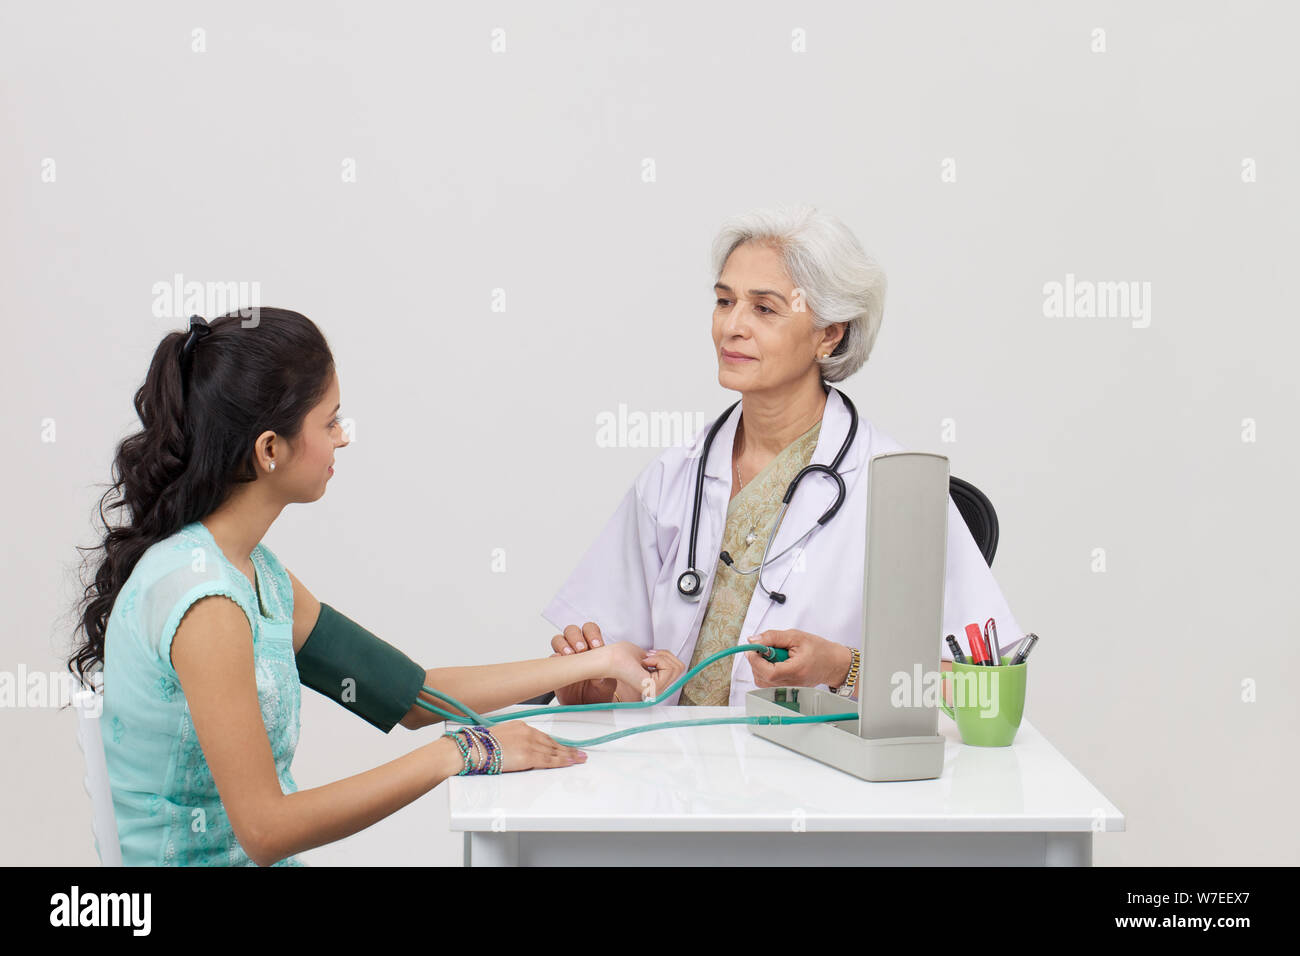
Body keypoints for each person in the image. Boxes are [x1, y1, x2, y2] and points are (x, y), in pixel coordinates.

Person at [68, 308, 653, 866]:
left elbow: (415, 699)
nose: (343, 438)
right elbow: (267, 831)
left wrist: (595, 663)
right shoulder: (208, 603)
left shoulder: (255, 575)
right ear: (270, 450)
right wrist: (464, 753)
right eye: (329, 421)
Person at [544, 205, 1024, 707]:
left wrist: (844, 668)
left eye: (764, 308)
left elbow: (985, 693)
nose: (732, 326)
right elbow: (618, 676)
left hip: (818, 775)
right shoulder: (674, 475)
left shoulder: (895, 487)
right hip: (673, 772)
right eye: (724, 301)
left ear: (829, 333)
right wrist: (593, 685)